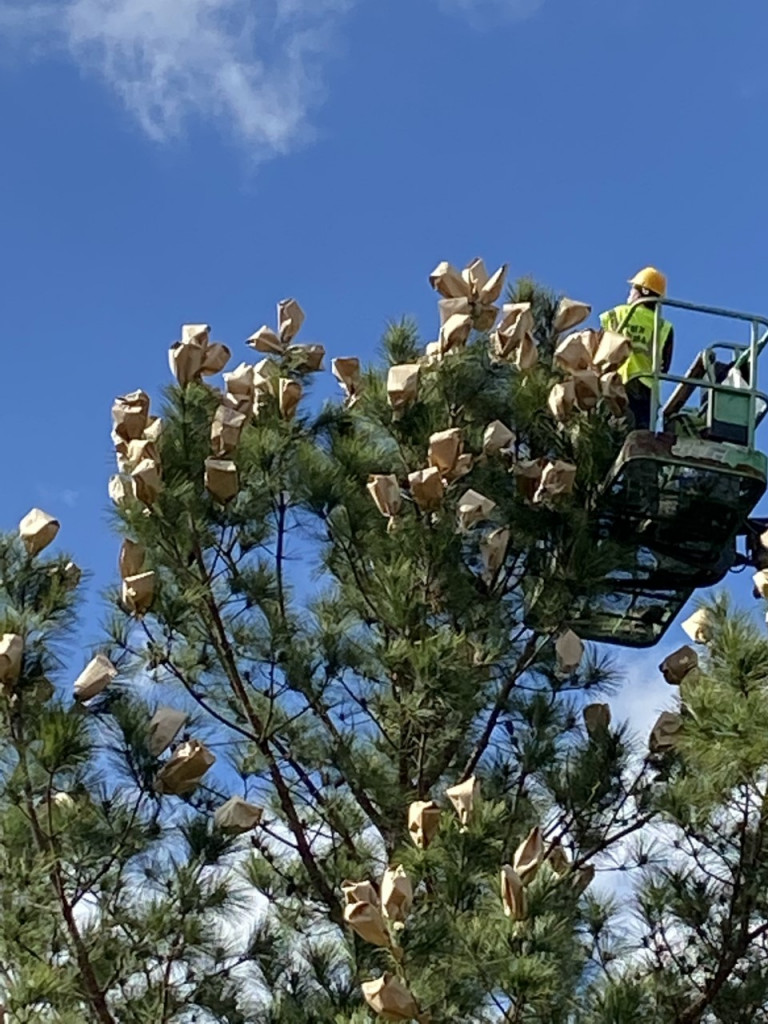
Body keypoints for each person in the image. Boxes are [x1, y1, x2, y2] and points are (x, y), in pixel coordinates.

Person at [599, 267, 674, 430]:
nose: (630, 293)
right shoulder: (664, 326)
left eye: (633, 288)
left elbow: (599, 345)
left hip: (618, 382)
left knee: (616, 431)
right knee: (642, 435)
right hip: (648, 389)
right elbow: (665, 367)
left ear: (645, 291)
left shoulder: (617, 313)